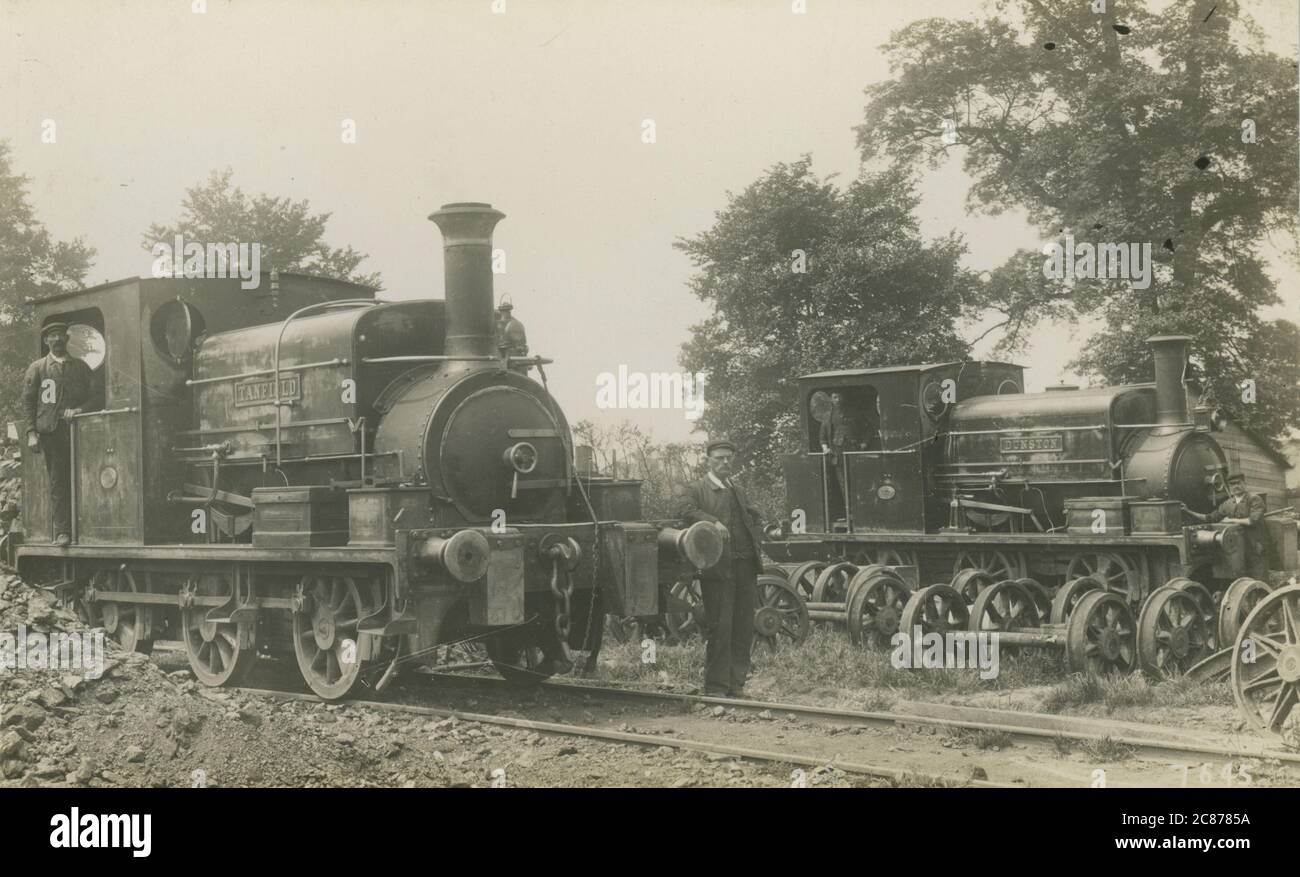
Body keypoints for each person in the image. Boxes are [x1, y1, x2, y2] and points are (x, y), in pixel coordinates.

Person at [675, 439, 765, 698]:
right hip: (718, 569)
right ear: (708, 460)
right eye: (719, 458)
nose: (725, 462)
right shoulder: (697, 489)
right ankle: (716, 687)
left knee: (743, 626)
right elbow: (685, 510)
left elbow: (749, 515)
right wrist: (712, 521)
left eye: (729, 458)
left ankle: (736, 685)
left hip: (745, 565)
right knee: (720, 626)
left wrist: (757, 523)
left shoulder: (736, 488)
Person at [22, 323, 93, 546]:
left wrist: (81, 409)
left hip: (81, 431)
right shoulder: (38, 368)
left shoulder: (81, 367)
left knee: (85, 479)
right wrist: (31, 432)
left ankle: (87, 528)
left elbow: (97, 395)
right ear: (46, 342)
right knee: (58, 481)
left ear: (67, 338)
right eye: (52, 336)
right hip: (52, 432)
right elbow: (28, 401)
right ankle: (63, 531)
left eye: (60, 335)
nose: (57, 339)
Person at [1182, 471, 1271, 580]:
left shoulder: (1254, 499)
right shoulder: (1228, 504)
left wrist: (1231, 520)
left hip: (1255, 548)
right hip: (1237, 549)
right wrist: (1188, 511)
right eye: (1232, 484)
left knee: (1259, 580)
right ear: (1228, 487)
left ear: (1244, 484)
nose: (1236, 486)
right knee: (1241, 581)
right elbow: (1210, 518)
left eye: (1238, 483)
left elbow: (1252, 520)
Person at [819, 391, 863, 523]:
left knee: (857, 483)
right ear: (831, 400)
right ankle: (850, 514)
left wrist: (864, 443)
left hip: (854, 455)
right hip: (837, 457)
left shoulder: (854, 414)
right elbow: (822, 438)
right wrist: (825, 448)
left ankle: (859, 513)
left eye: (839, 396)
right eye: (834, 397)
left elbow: (868, 429)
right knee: (844, 485)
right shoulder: (827, 417)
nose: (837, 400)